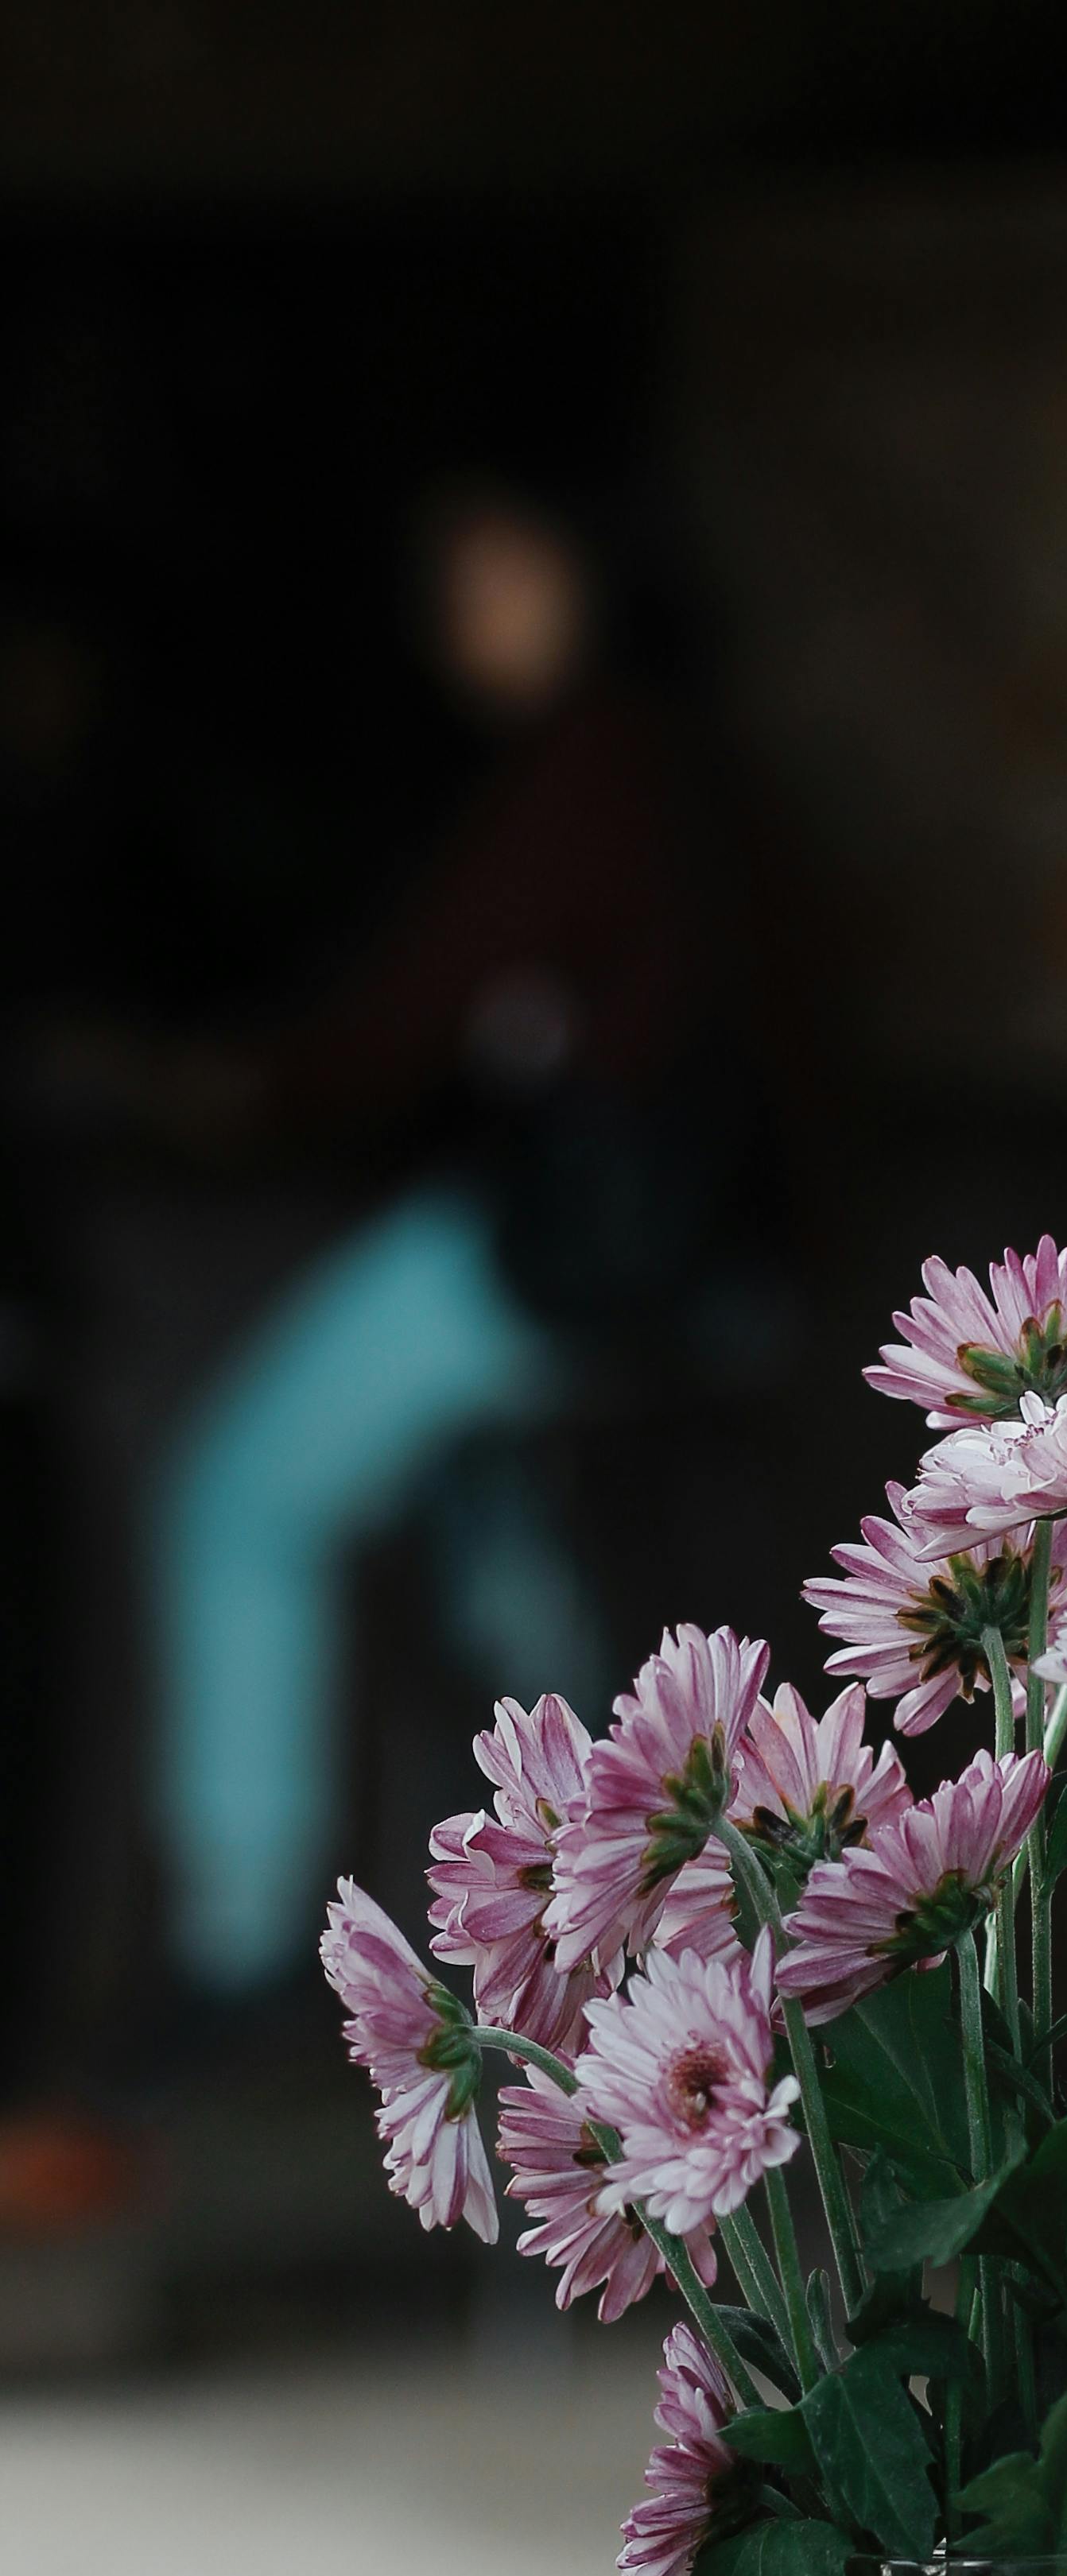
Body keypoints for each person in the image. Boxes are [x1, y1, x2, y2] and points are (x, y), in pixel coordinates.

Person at [145, 482, 752, 2003]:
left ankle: (234, 1936)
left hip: (563, 1256)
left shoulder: (597, 759)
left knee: (232, 1500)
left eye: (504, 575)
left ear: (590, 573)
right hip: (629, 1260)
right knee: (509, 1584)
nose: (469, 619)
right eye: (453, 585)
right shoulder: (641, 760)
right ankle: (620, 1922)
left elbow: (406, 1011)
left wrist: (248, 1085)